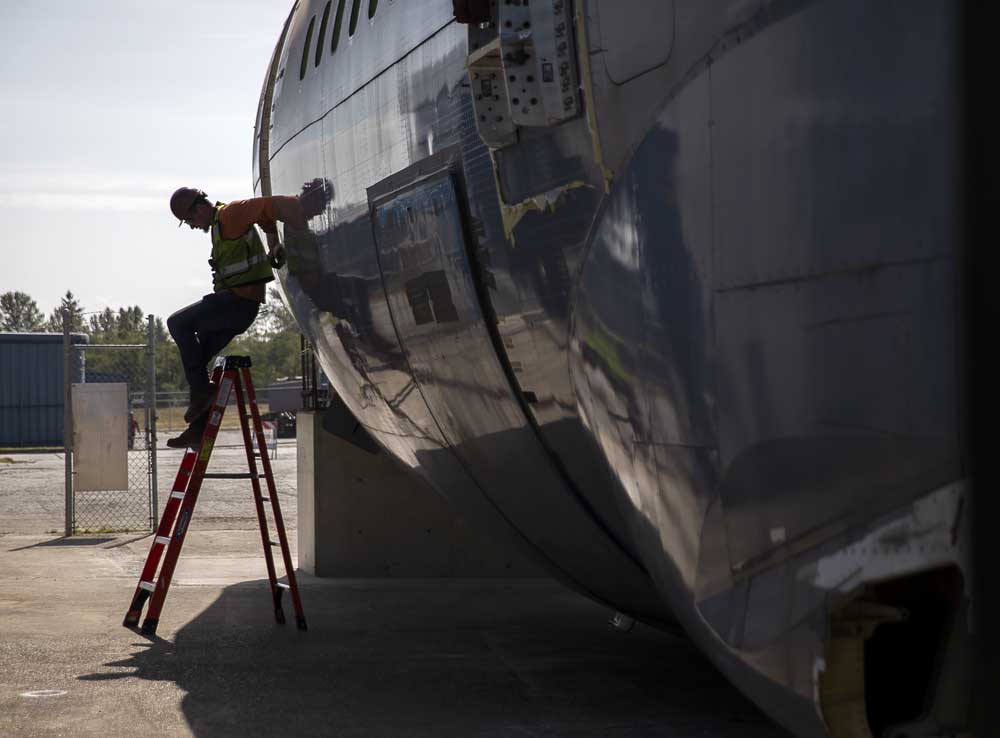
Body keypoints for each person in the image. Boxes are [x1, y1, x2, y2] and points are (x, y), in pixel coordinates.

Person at [164, 186, 306, 448]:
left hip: (236, 305)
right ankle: (198, 428)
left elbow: (268, 206)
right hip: (235, 309)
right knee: (195, 361)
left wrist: (300, 210)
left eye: (190, 220)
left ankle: (202, 394)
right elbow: (264, 217)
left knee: (177, 323)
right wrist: (272, 241)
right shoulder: (220, 226)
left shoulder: (230, 214)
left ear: (200, 207)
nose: (193, 226)